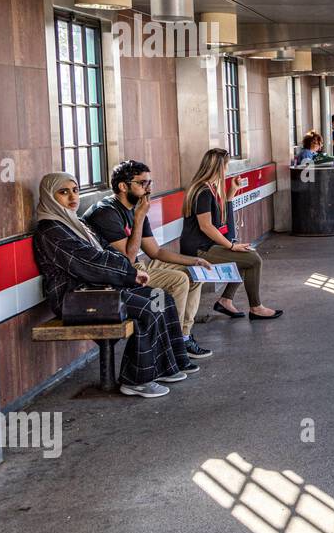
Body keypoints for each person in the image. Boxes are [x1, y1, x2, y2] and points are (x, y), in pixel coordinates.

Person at [32, 173, 194, 398]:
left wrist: (130, 271)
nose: (72, 196)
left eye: (75, 190)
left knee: (160, 297)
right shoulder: (50, 230)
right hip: (74, 298)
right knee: (148, 308)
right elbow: (88, 262)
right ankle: (136, 380)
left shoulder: (74, 223)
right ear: (49, 196)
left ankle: (167, 365)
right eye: (63, 192)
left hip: (95, 289)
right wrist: (130, 273)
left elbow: (104, 250)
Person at [84, 160, 215, 362]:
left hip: (137, 266)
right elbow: (127, 259)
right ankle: (172, 343)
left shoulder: (137, 207)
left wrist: (194, 261)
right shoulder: (106, 212)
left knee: (194, 273)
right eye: (142, 183)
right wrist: (138, 219)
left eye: (149, 182)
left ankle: (184, 336)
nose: (149, 188)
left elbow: (155, 251)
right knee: (179, 280)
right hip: (117, 274)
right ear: (123, 186)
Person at [179, 148, 283, 321]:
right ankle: (256, 308)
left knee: (245, 258)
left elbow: (222, 226)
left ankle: (226, 300)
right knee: (254, 260)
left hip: (207, 245)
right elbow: (206, 227)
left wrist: (230, 196)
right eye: (226, 165)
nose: (227, 169)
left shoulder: (208, 188)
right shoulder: (203, 192)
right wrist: (231, 246)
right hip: (199, 249)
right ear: (219, 167)